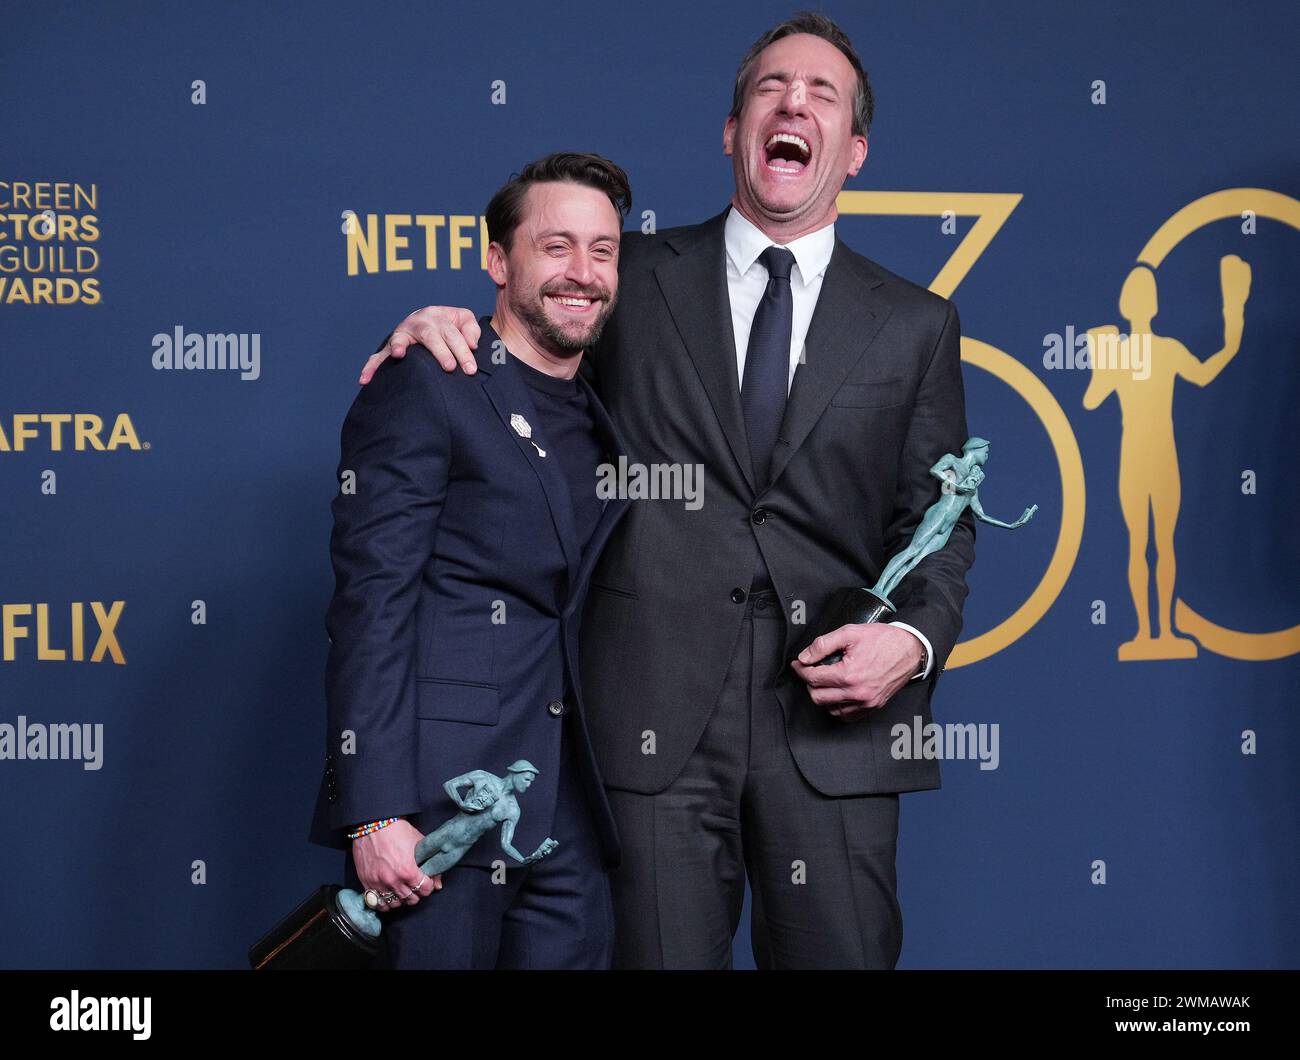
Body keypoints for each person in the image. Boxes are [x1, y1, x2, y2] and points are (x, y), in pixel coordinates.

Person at [361, 13, 976, 969]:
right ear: (732, 131)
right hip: (648, 726)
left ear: (854, 152)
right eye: (772, 88)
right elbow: (528, 349)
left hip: (836, 728)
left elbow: (940, 522)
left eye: (823, 95)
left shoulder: (918, 325)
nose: (794, 104)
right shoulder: (623, 277)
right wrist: (442, 332)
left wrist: (914, 639)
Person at [306, 152, 634, 969]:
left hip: (569, 821)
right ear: (497, 259)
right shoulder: (432, 380)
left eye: (603, 251)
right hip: (436, 813)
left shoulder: (610, 409)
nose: (582, 273)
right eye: (554, 246)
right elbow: (371, 606)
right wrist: (374, 813)